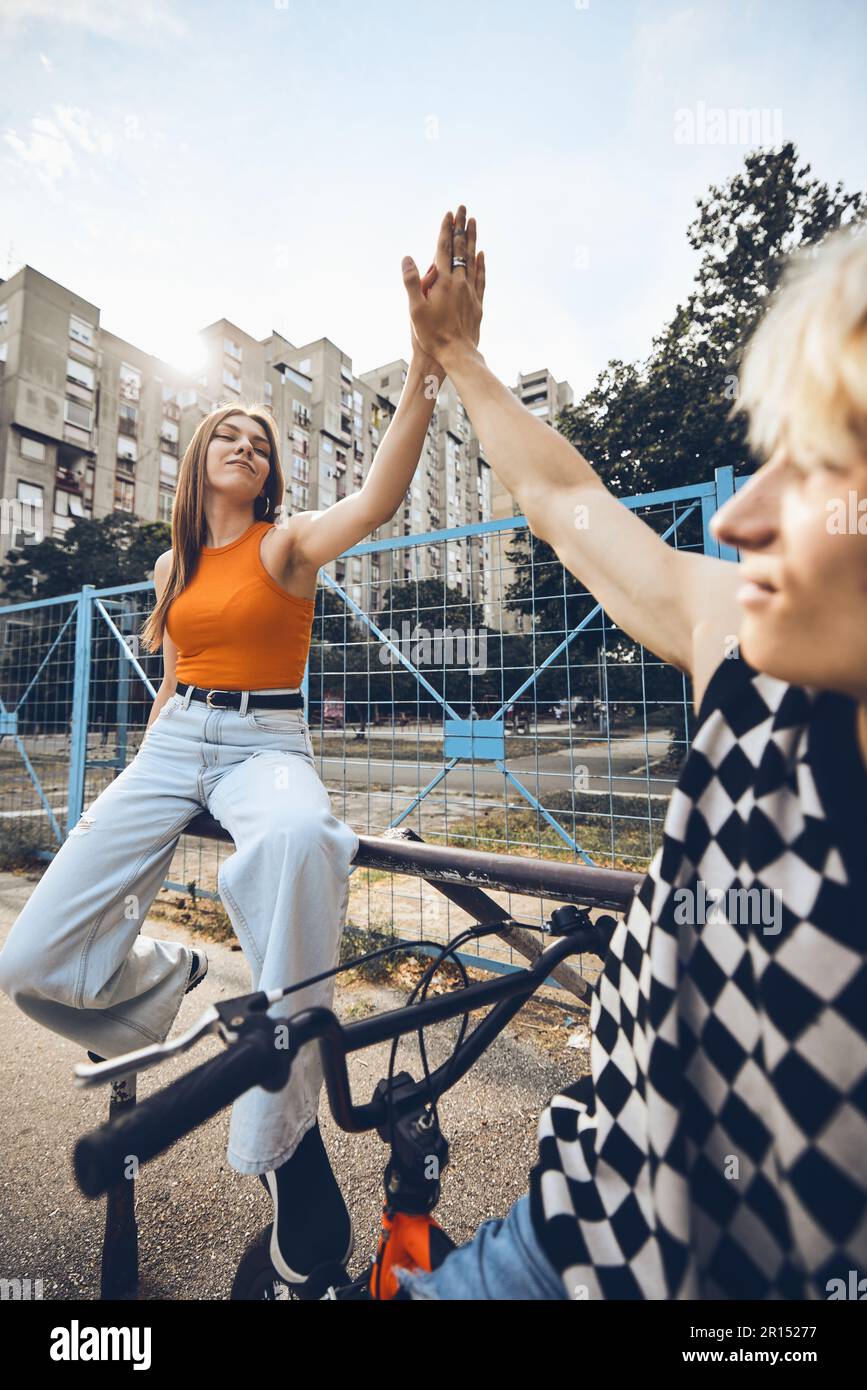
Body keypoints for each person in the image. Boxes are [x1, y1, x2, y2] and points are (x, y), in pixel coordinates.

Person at [389, 206, 867, 1298]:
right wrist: (455, 355)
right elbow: (566, 500)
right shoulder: (752, 653)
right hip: (569, 1238)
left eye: (817, 469)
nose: (740, 517)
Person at [0, 241, 472, 1284]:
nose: (249, 441)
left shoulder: (288, 544)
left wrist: (427, 368)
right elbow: (173, 673)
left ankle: (280, 1137)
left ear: (272, 471)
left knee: (304, 839)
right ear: (200, 456)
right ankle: (161, 978)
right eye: (232, 431)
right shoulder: (171, 563)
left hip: (267, 743)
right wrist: (152, 773)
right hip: (179, 740)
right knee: (25, 962)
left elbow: (381, 499)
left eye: (262, 438)